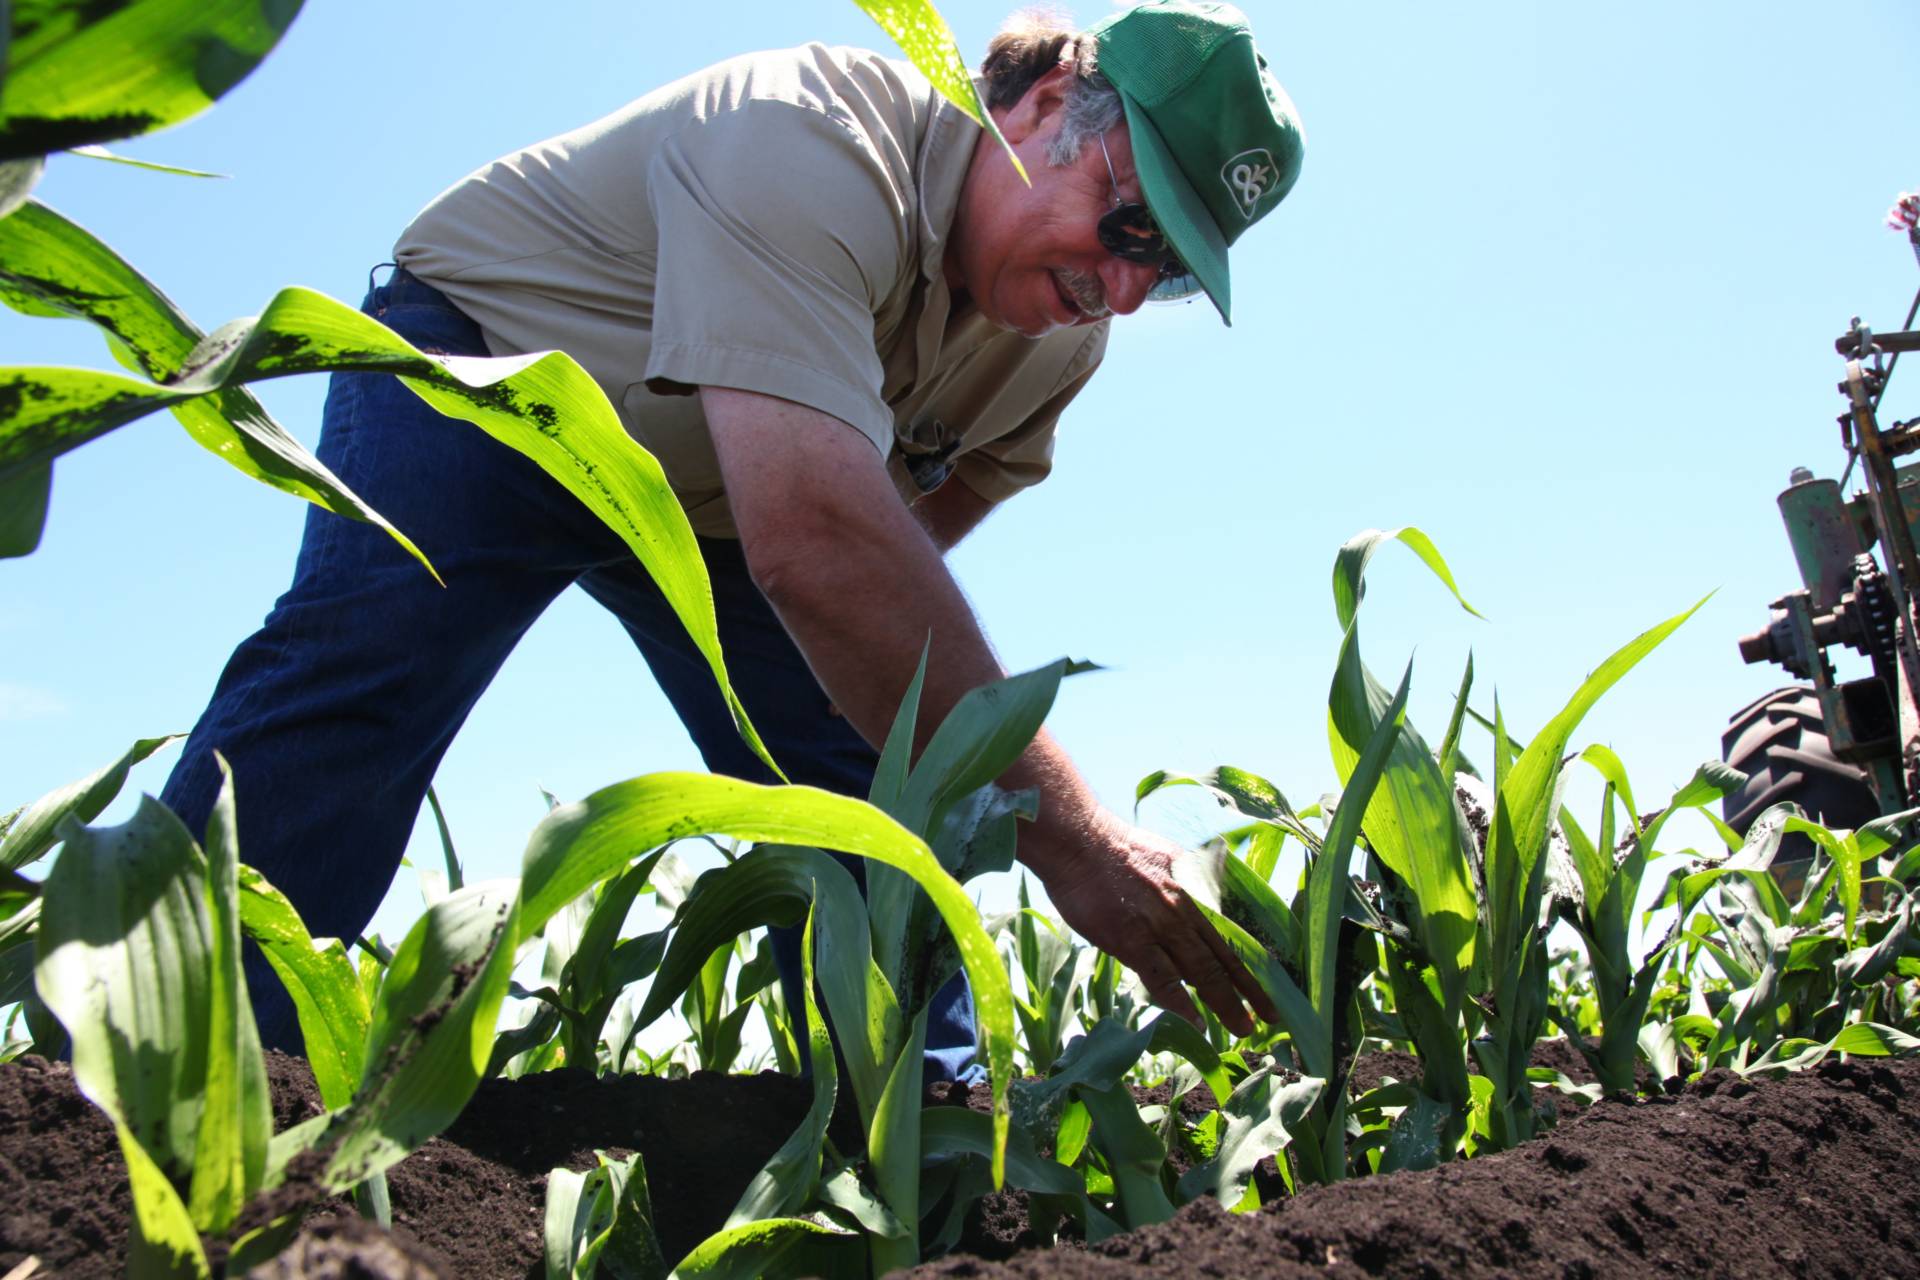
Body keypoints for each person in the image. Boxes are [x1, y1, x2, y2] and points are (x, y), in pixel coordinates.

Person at [158, 0, 1305, 1079]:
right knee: (366, 676)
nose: (1117, 285)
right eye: (1132, 220)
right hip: (491, 376)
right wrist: (1078, 835)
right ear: (1047, 105)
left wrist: (867, 686)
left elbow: (890, 555)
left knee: (875, 779)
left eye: (1163, 277)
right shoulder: (806, 135)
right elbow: (818, 535)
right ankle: (143, 1091)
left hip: (721, 491)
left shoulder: (1056, 344)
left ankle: (928, 1133)